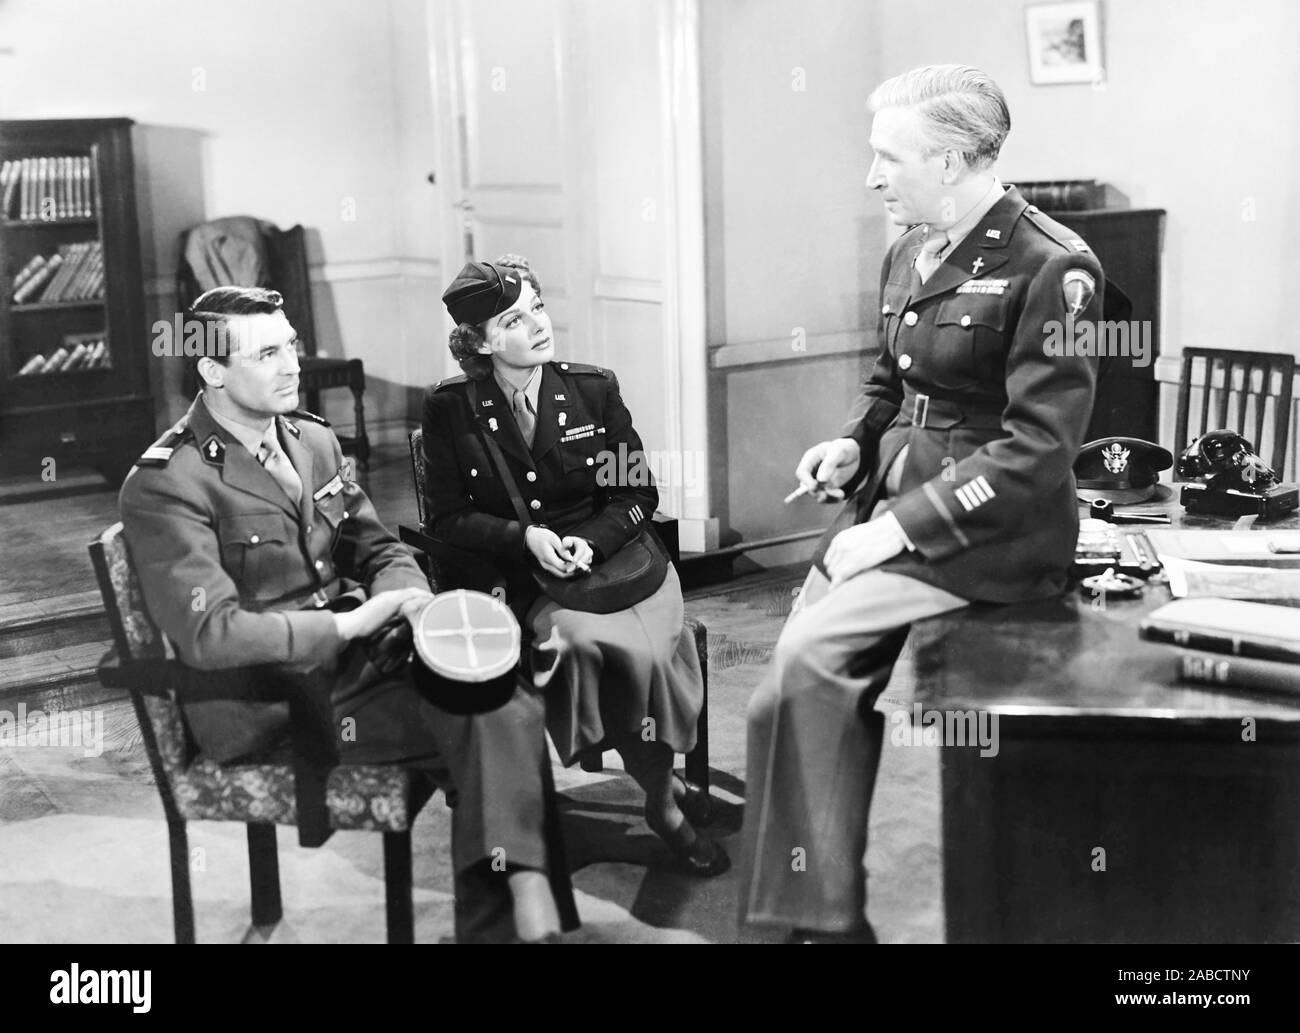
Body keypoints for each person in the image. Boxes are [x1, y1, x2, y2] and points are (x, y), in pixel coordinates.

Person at [740, 65, 1106, 942]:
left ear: (949, 164)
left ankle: (815, 921)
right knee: (775, 699)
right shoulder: (912, 244)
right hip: (895, 497)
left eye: (886, 157)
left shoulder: (1056, 267)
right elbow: (893, 380)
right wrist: (854, 443)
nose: (872, 177)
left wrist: (896, 530)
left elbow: (1038, 450)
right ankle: (804, 902)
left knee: (811, 662)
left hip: (988, 529)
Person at [119, 286, 570, 943]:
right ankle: (531, 920)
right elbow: (208, 633)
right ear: (213, 370)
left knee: (499, 700)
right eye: (267, 353)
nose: (292, 365)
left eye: (292, 346)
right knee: (496, 716)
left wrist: (411, 599)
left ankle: (517, 922)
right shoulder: (170, 480)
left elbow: (378, 546)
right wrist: (350, 625)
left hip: (362, 665)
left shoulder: (310, 441)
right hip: (272, 702)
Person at [423, 254, 729, 889]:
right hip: (530, 579)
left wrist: (589, 542)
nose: (537, 325)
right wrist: (524, 539)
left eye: (538, 306)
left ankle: (657, 784)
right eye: (513, 318)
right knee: (587, 646)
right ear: (480, 342)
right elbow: (447, 520)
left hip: (620, 565)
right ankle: (664, 801)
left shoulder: (592, 387)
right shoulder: (451, 409)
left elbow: (638, 491)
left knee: (652, 645)